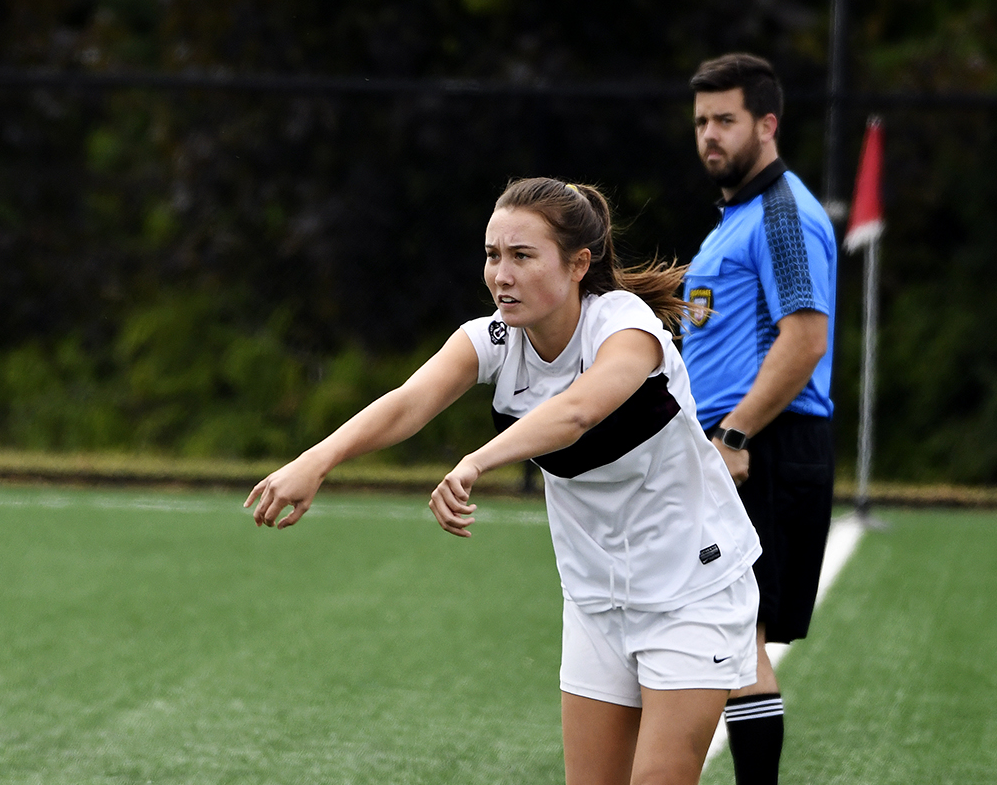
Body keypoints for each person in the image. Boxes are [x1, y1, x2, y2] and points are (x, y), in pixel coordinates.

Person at [246, 177, 763, 785]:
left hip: (692, 590)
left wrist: (476, 460)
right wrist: (317, 460)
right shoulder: (493, 338)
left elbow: (576, 413)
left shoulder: (626, 326)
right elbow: (410, 401)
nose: (501, 275)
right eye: (493, 255)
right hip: (596, 598)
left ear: (578, 264)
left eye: (522, 256)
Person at [682, 53, 837, 785]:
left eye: (726, 121)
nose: (710, 136)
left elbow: (805, 337)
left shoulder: (782, 215)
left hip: (763, 447)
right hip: (732, 446)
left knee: (739, 629)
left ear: (767, 124)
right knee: (724, 628)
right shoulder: (737, 216)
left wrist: (737, 432)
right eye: (702, 122)